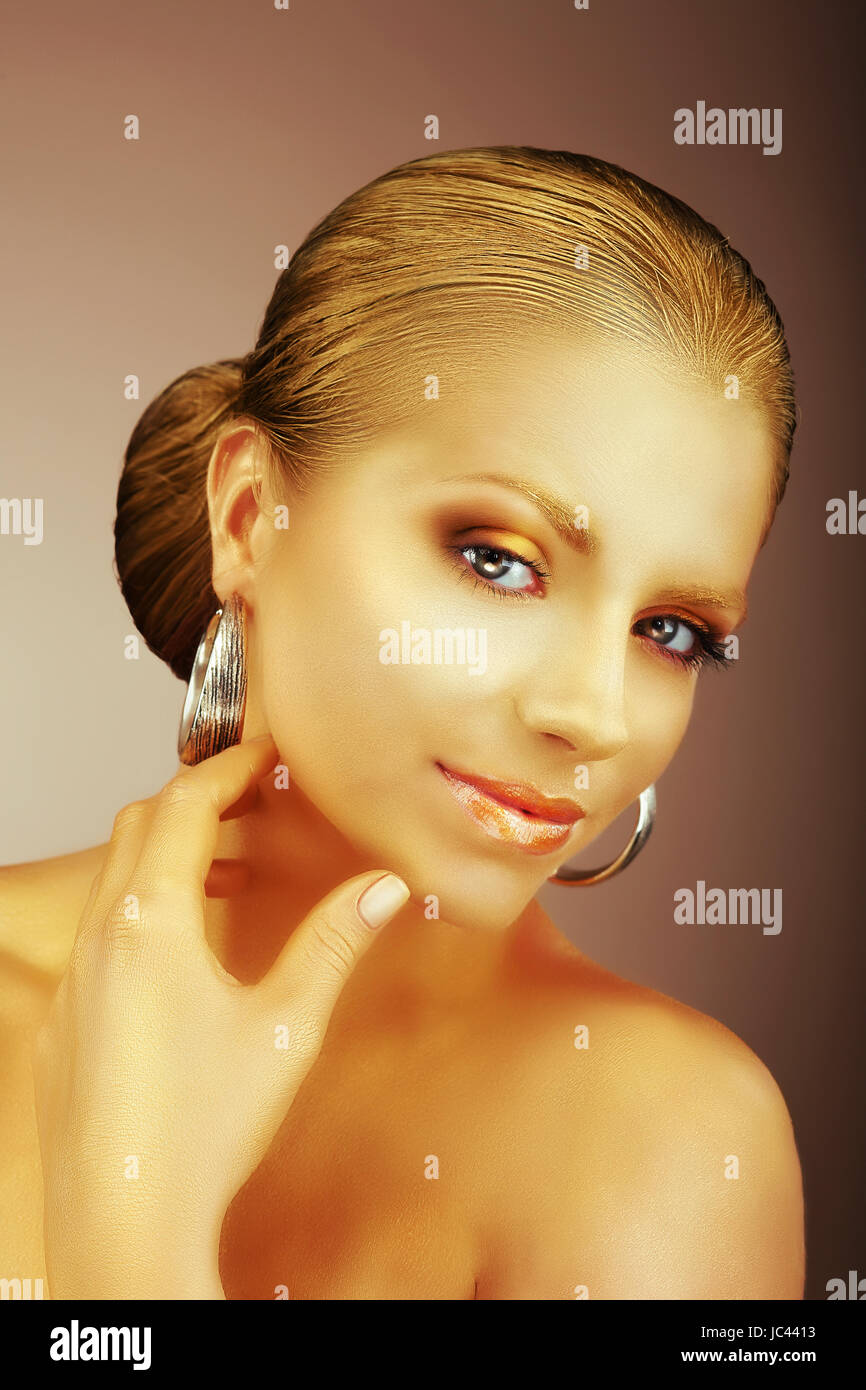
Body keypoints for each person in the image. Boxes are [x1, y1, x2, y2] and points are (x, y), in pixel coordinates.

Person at [0, 146, 805, 1300]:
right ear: (248, 517)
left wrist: (131, 1234)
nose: (589, 713)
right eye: (499, 561)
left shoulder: (665, 1143)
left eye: (669, 630)